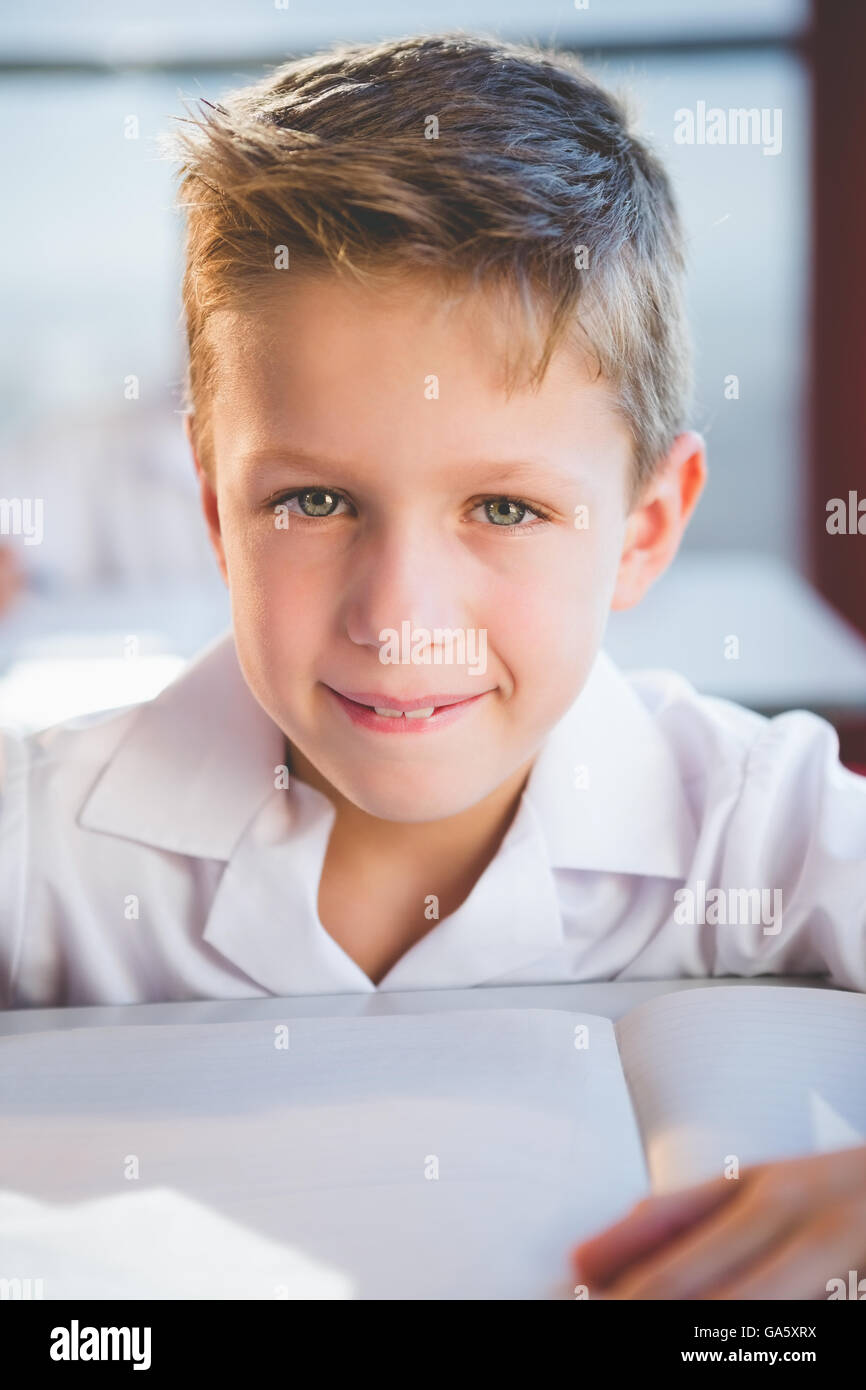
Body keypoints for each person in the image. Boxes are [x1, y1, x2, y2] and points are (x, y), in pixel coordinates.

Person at [1, 33, 864, 1299]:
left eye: (503, 510)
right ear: (210, 507)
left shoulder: (757, 816)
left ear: (644, 527)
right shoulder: (46, 841)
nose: (399, 617)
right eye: (310, 500)